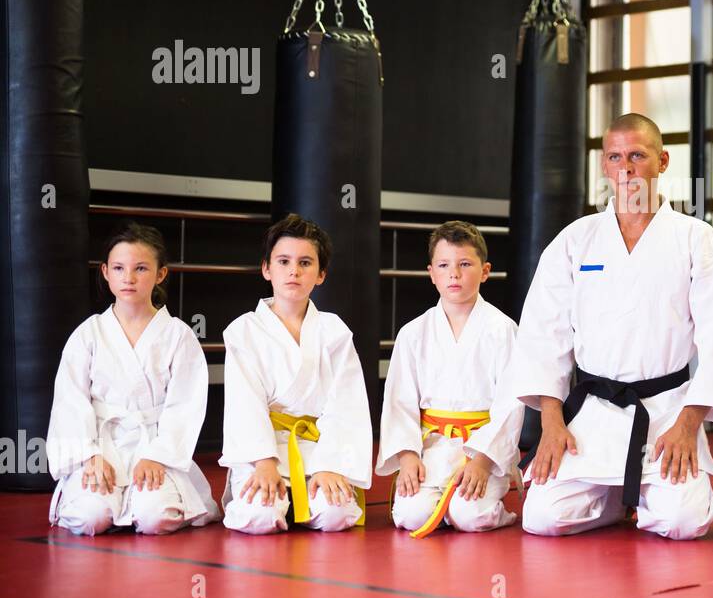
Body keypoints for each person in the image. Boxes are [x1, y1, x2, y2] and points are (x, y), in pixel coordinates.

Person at [513, 112, 713, 540]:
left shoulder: (696, 238)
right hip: (592, 414)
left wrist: (690, 425)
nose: (626, 168)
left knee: (682, 523)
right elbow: (544, 335)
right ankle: (617, 502)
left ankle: (638, 493)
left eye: (637, 155)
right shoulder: (576, 240)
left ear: (663, 161)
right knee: (542, 518)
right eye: (615, 157)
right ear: (603, 165)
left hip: (667, 411)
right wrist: (553, 423)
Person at [47, 222, 219, 536]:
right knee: (89, 518)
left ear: (160, 274)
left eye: (141, 268)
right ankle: (100, 495)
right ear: (105, 272)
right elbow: (70, 401)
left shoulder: (178, 335)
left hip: (154, 443)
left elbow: (185, 405)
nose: (128, 277)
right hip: (101, 445)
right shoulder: (89, 333)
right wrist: (88, 454)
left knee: (156, 518)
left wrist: (158, 456)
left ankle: (150, 493)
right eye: (119, 268)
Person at [220, 214, 372, 535]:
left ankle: (297, 501)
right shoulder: (243, 331)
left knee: (336, 516)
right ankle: (284, 501)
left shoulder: (334, 331)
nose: (294, 271)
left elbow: (346, 404)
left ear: (321, 274)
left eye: (305, 262)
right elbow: (244, 405)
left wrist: (330, 465)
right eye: (284, 261)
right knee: (258, 517)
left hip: (318, 445)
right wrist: (263, 462)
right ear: (266, 269)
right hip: (265, 447)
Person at [377, 221, 522, 536]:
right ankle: (441, 505)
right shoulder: (413, 333)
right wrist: (407, 456)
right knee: (411, 515)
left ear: (485, 271)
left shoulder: (502, 329)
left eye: (465, 264)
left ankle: (493, 512)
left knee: (470, 516)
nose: (454, 273)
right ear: (432, 273)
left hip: (481, 450)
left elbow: (511, 404)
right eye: (444, 265)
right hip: (434, 448)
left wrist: (483, 462)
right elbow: (399, 401)